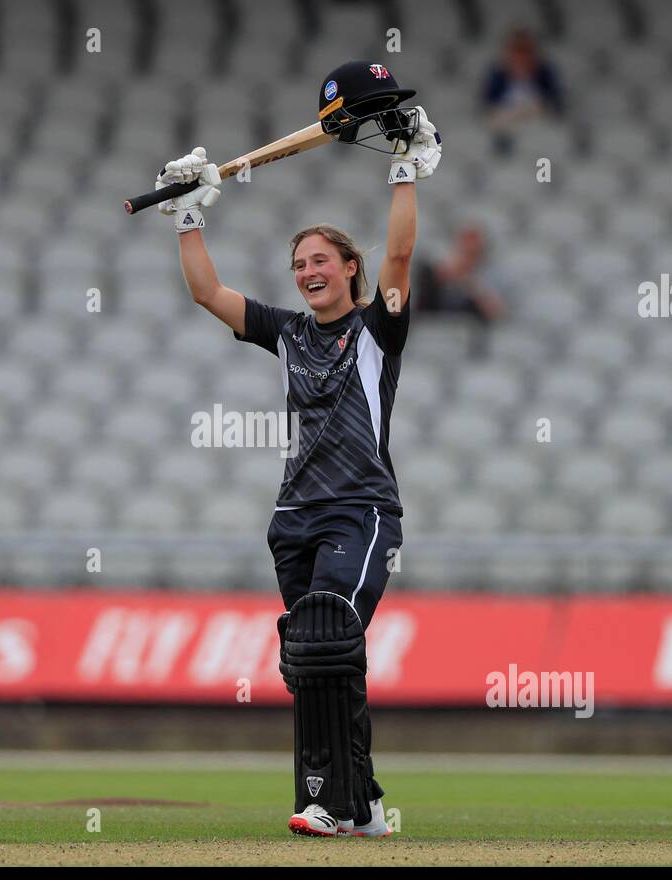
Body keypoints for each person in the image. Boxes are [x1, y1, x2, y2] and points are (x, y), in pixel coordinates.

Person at [164, 63, 440, 838]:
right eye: (299, 265)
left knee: (321, 642)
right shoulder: (287, 333)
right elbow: (207, 295)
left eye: (320, 260)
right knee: (329, 659)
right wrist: (188, 216)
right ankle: (368, 805)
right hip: (293, 517)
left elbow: (399, 260)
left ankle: (327, 801)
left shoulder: (378, 328)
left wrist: (405, 168)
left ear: (347, 269)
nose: (308, 272)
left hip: (362, 512)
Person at [415, 225, 508, 352]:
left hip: (470, 338)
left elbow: (497, 314)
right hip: (435, 332)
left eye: (474, 253)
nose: (468, 258)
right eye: (464, 251)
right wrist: (441, 278)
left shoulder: (491, 277)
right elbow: (418, 308)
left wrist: (470, 283)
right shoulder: (435, 273)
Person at [480, 28, 564, 152]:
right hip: (507, 131)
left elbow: (555, 108)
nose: (521, 57)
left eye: (525, 51)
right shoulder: (497, 78)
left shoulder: (545, 76)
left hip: (539, 132)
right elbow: (488, 109)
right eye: (516, 51)